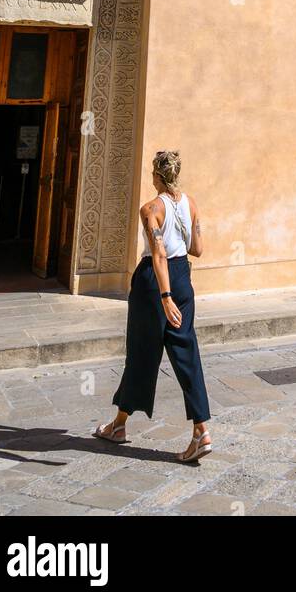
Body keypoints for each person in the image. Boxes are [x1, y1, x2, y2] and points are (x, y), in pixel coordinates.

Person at [94, 150, 211, 462]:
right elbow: (197, 249)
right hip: (183, 277)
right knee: (186, 352)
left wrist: (164, 296)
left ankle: (119, 426)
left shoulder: (151, 209)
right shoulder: (191, 204)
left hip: (154, 285)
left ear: (157, 177)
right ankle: (200, 429)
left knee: (142, 353)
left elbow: (158, 254)